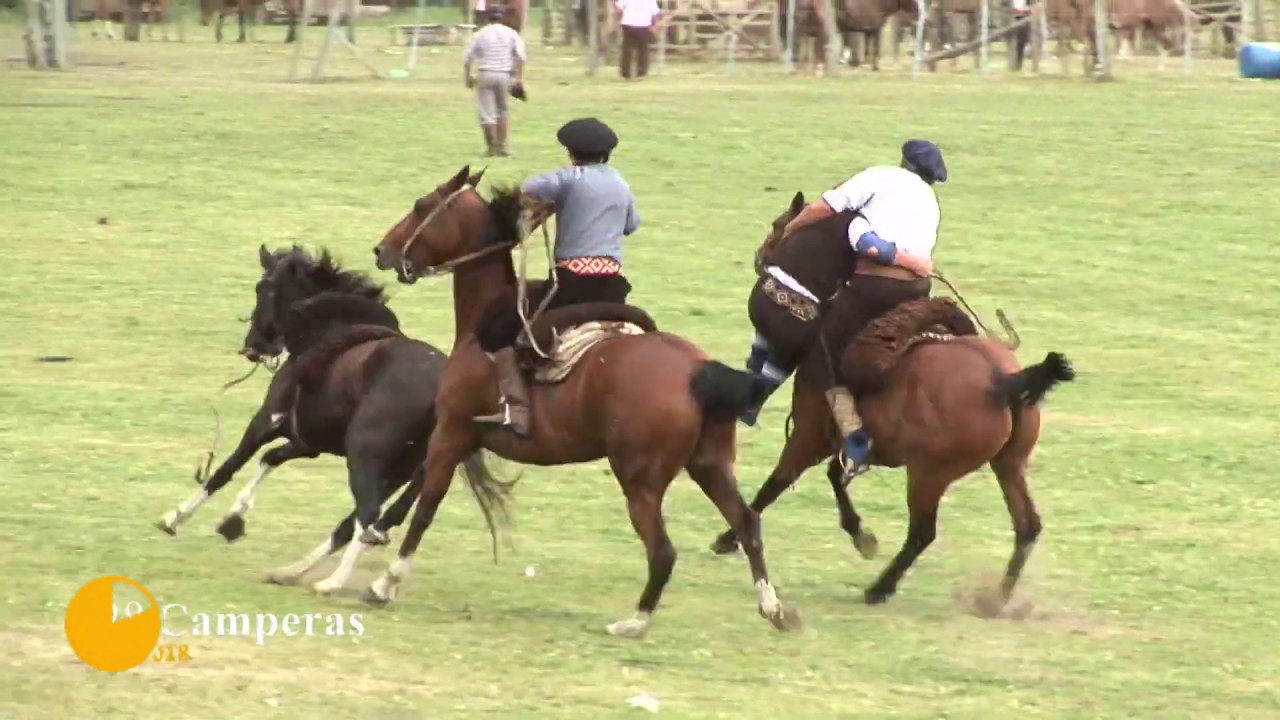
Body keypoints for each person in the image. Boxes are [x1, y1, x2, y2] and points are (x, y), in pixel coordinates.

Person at [740, 139, 948, 476]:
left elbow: (838, 219)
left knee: (825, 355)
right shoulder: (930, 203)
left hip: (875, 287)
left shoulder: (879, 180)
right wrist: (914, 262)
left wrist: (791, 228)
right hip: (917, 290)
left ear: (904, 161)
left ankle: (855, 440)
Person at [474, 118, 641, 436]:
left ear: (571, 153)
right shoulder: (621, 182)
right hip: (614, 285)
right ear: (607, 154)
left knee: (497, 324)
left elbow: (531, 186)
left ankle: (516, 408)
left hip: (573, 283)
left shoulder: (569, 178)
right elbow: (631, 225)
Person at [463, 5, 526, 157]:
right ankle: (502, 146)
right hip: (504, 74)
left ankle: (491, 147)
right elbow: (521, 57)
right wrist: (519, 78)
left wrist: (468, 76)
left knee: (487, 112)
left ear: (487, 17)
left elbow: (467, 58)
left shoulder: (480, 34)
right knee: (502, 111)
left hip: (485, 73)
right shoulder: (511, 33)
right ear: (502, 17)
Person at [616, 0, 660, 79]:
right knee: (643, 49)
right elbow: (655, 12)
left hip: (628, 22)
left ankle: (625, 72)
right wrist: (654, 24)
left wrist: (618, 20)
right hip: (643, 24)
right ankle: (641, 72)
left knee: (627, 49)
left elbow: (619, 7)